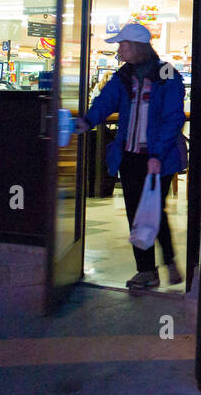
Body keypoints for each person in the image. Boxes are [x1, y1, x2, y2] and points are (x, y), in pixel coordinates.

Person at [75, 23, 187, 289]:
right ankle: (147, 271)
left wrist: (157, 154)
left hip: (159, 157)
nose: (119, 49)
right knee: (136, 214)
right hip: (130, 156)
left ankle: (168, 261)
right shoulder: (123, 76)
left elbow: (173, 117)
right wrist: (88, 121)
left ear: (137, 46)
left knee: (152, 212)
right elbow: (105, 102)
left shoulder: (166, 73)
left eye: (123, 44)